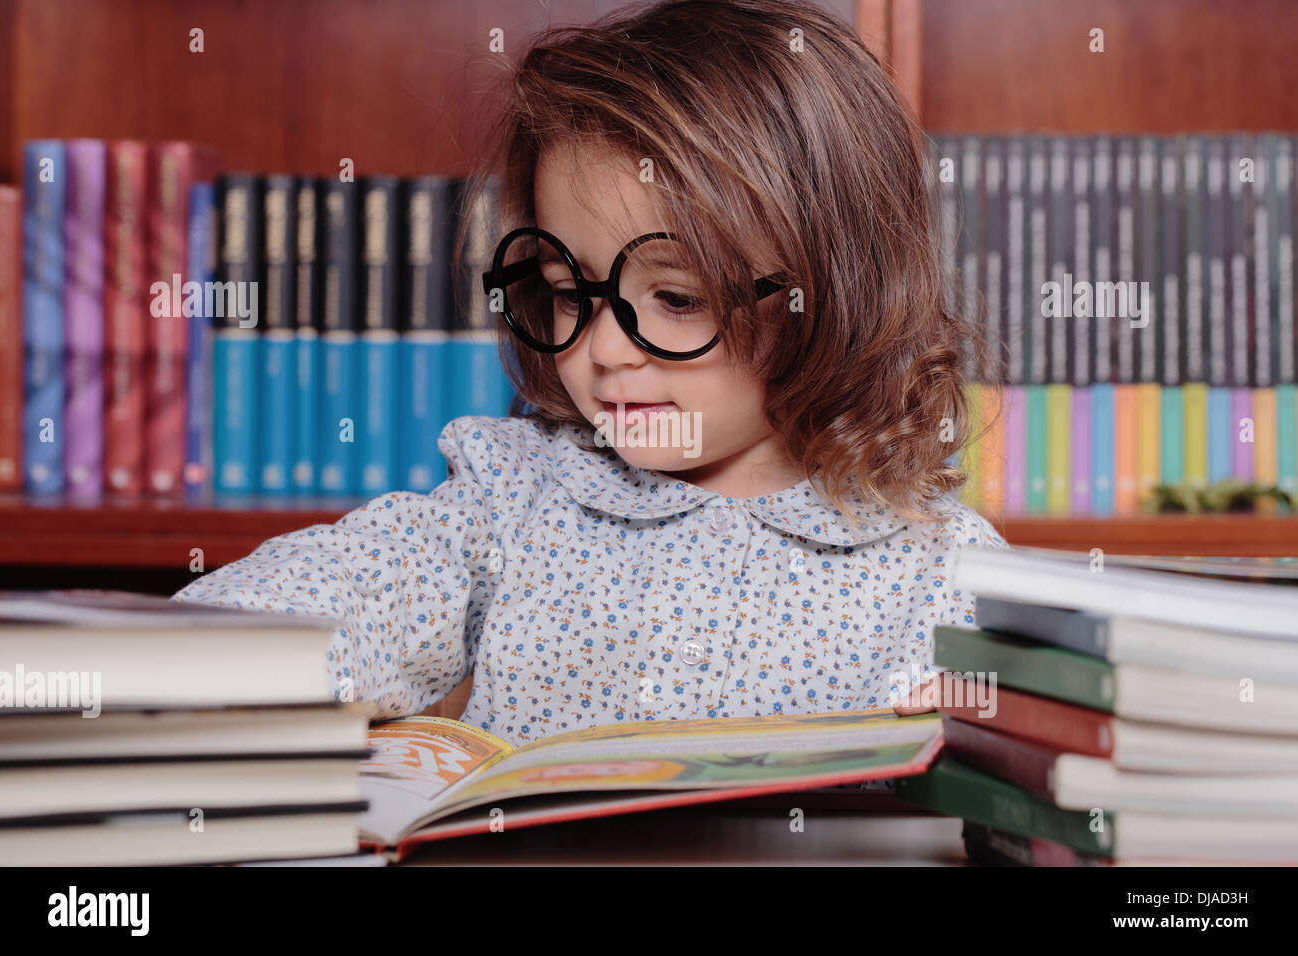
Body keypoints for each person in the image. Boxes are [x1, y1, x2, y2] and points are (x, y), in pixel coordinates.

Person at [174, 0, 1005, 745]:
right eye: (571, 291)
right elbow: (339, 592)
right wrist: (165, 670)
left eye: (676, 297)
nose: (604, 350)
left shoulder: (943, 570)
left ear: (830, 292)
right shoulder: (513, 501)